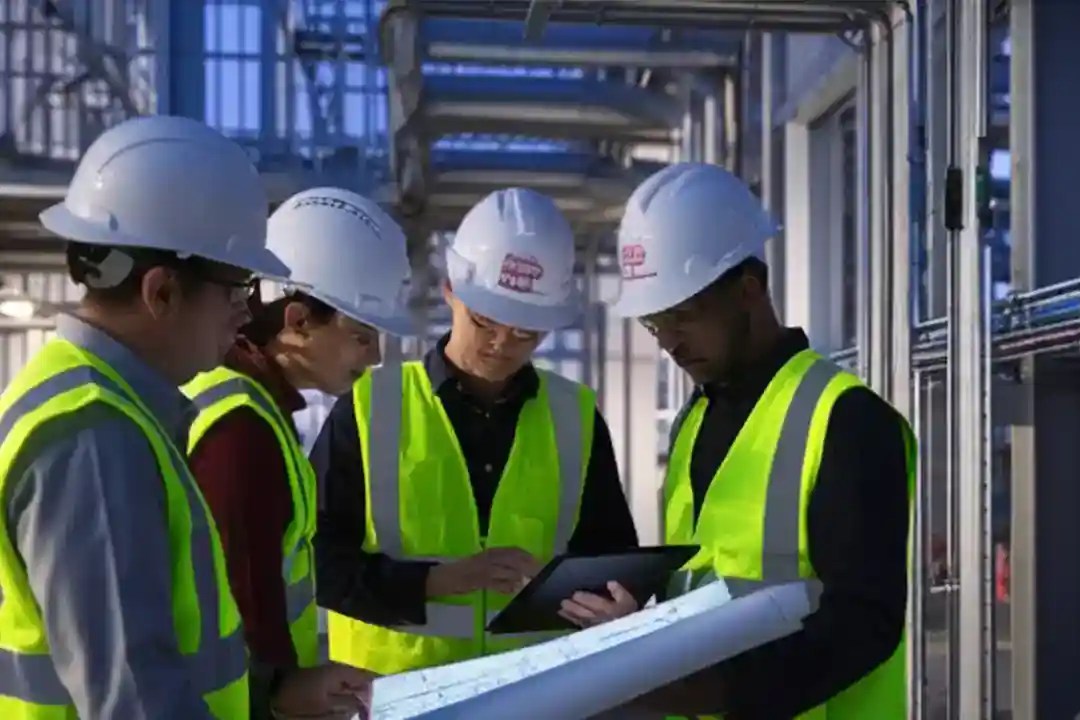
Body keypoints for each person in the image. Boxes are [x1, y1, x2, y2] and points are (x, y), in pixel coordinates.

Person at [0, 115, 345, 719]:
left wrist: (274, 694)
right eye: (236, 287)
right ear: (161, 293)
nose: (246, 313)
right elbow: (135, 701)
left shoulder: (99, 405)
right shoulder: (93, 438)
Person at [610, 162, 917, 719]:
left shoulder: (847, 420)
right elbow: (704, 583)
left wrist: (712, 692)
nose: (670, 343)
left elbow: (865, 623)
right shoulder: (694, 421)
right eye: (655, 324)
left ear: (749, 290)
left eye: (684, 315)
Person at [312, 187, 640, 676]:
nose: (501, 344)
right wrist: (436, 582)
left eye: (525, 333)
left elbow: (615, 568)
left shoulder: (576, 417)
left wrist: (602, 604)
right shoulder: (368, 408)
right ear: (451, 290)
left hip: (533, 699)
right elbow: (317, 564)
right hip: (397, 699)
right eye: (484, 322)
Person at [184, 187, 418, 718]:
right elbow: (245, 607)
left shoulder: (246, 408)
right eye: (362, 336)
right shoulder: (241, 432)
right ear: (297, 322)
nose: (376, 357)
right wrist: (284, 693)